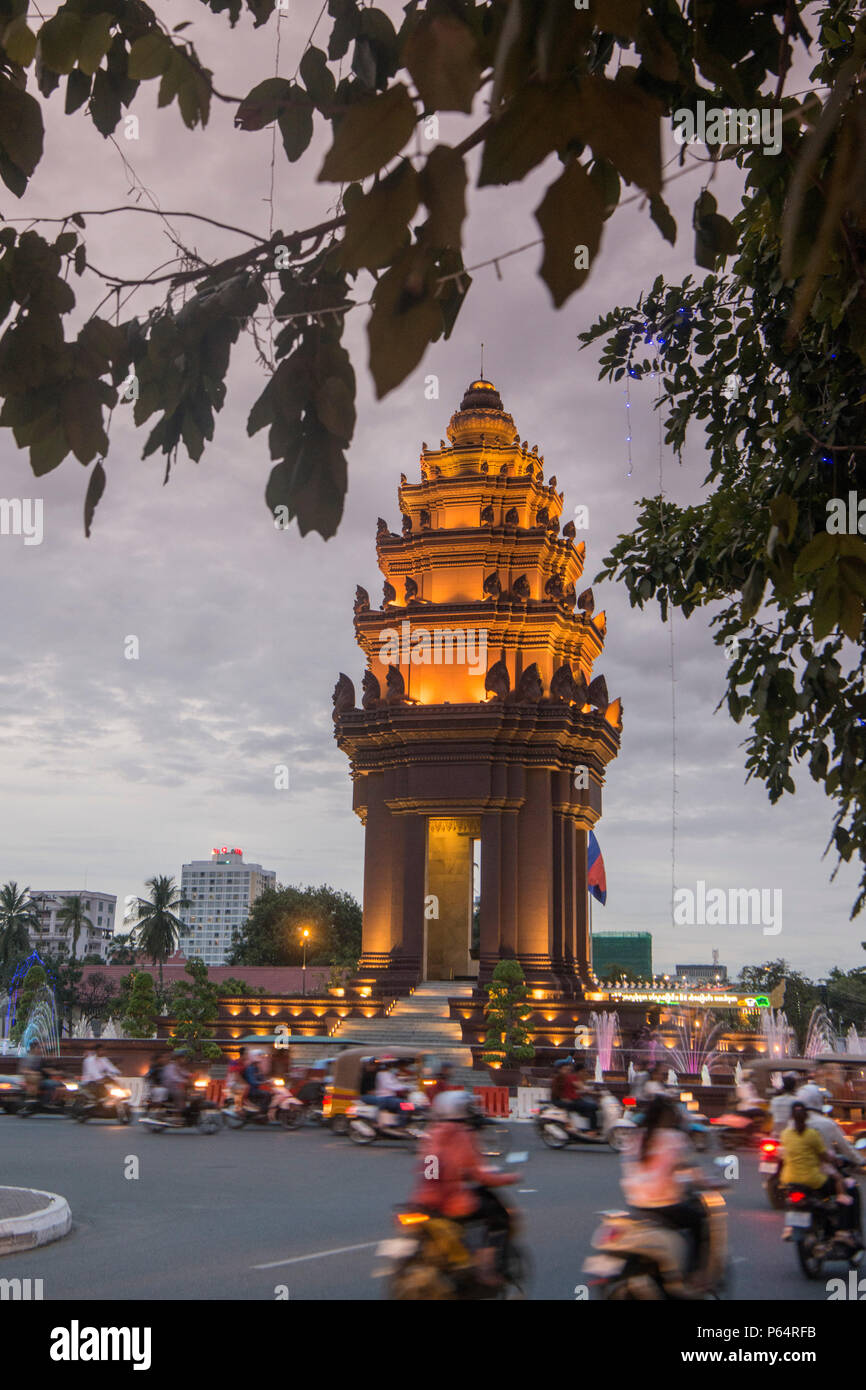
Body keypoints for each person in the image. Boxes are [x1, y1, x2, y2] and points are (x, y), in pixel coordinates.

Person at [410, 1089, 518, 1284]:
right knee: (498, 1215)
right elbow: (480, 1175)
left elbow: (431, 1168)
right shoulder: (463, 1137)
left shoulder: (430, 1135)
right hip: (450, 1202)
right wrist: (508, 1178)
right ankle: (486, 1267)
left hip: (422, 1200)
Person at [621, 1094, 707, 1282]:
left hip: (636, 1203)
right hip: (664, 1204)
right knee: (699, 1222)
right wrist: (706, 1182)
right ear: (668, 1116)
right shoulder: (674, 1138)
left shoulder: (635, 1137)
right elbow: (692, 1172)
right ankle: (695, 1275)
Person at [779, 1102, 859, 1245]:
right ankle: (842, 1230)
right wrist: (834, 1161)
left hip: (789, 1179)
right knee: (841, 1185)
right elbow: (825, 1156)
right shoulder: (812, 1134)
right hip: (813, 1180)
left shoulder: (785, 1134)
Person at [374, 1059, 412, 1127]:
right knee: (405, 1104)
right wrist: (404, 1087)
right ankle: (401, 1126)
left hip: (390, 1097)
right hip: (385, 1098)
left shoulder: (389, 1074)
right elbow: (390, 1085)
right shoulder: (382, 1074)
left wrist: (407, 1086)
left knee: (409, 1103)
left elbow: (396, 1083)